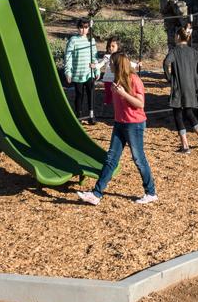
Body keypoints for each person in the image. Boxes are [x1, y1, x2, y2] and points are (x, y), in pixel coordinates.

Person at [77, 53, 157, 206]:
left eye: (111, 63)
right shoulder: (116, 79)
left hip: (134, 125)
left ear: (118, 65)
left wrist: (123, 94)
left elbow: (140, 104)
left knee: (139, 159)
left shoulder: (134, 80)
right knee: (111, 159)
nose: (109, 65)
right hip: (120, 123)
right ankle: (96, 194)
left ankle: (151, 192)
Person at [163, 28, 198, 153]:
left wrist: (170, 79)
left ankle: (185, 146)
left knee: (177, 114)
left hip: (179, 87)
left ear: (179, 37)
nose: (174, 38)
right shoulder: (192, 51)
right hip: (191, 87)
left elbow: (165, 63)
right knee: (189, 112)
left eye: (175, 35)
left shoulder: (174, 51)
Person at [63, 17, 98, 124]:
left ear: (89, 28)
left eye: (86, 27)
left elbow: (94, 57)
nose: (83, 30)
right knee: (79, 96)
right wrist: (68, 72)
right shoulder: (73, 40)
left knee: (90, 95)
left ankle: (91, 116)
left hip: (89, 74)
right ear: (78, 28)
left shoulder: (91, 40)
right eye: (81, 27)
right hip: (78, 74)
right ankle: (79, 117)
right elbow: (68, 57)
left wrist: (96, 70)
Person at [98, 39, 139, 109]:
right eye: (109, 46)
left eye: (113, 46)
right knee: (109, 94)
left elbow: (127, 63)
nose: (110, 48)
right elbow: (100, 64)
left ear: (118, 46)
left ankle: (116, 107)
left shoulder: (121, 57)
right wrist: (94, 66)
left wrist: (136, 64)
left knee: (117, 94)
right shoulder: (107, 57)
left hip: (117, 79)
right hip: (108, 79)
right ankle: (107, 107)